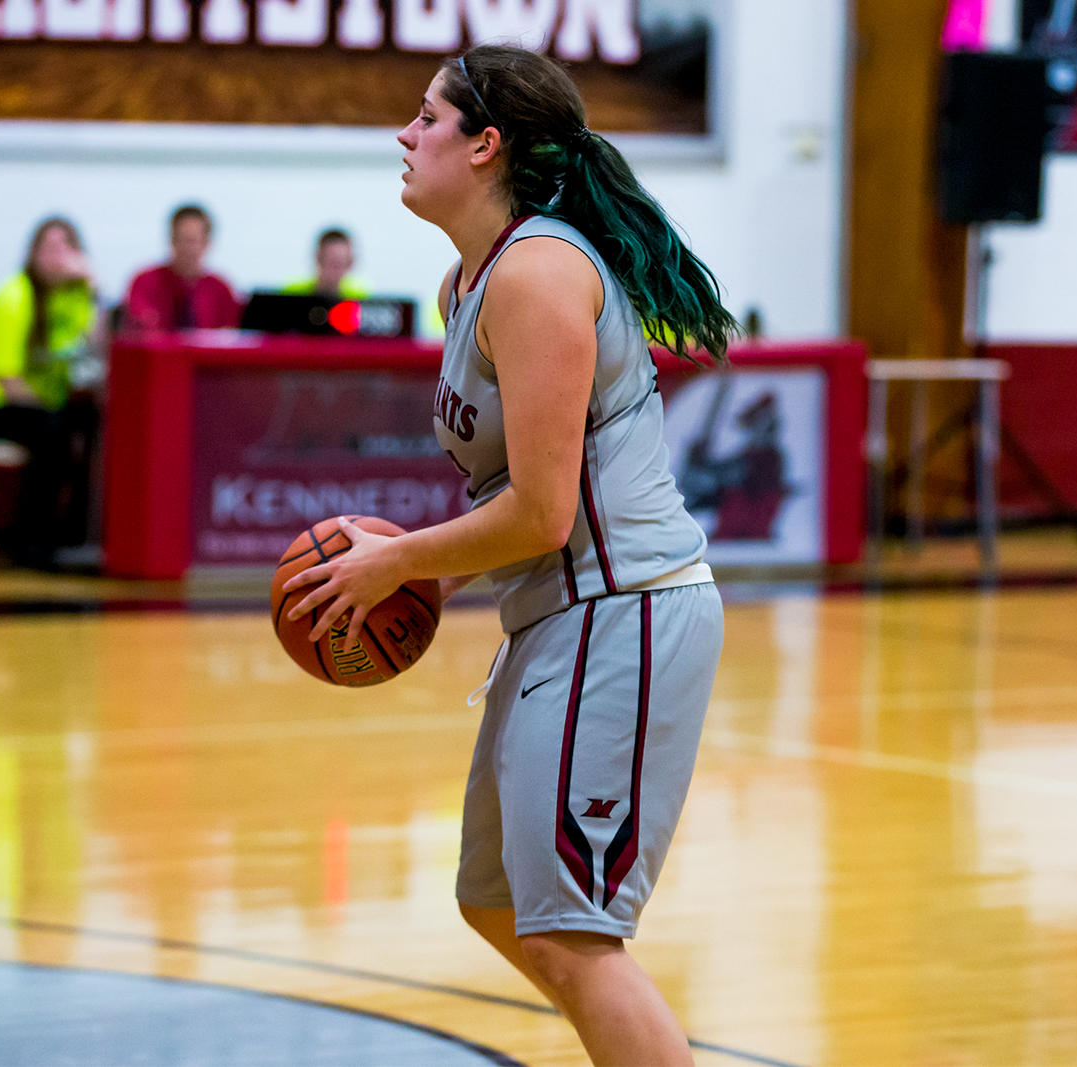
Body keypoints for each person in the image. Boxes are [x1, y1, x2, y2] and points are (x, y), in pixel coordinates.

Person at [283, 45, 737, 1066]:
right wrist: (416, 569)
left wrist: (399, 563)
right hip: (559, 614)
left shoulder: (538, 273)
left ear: (485, 144)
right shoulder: (467, 284)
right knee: (495, 900)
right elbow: (518, 504)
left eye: (426, 117)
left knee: (574, 933)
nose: (404, 135)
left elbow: (539, 513)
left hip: (624, 609)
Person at [0, 217, 100, 570]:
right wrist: (51, 411)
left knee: (93, 426)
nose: (56, 258)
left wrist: (93, 288)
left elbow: (98, 347)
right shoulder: (13, 295)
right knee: (53, 431)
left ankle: (81, 536)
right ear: (32, 254)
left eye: (65, 249)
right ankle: (35, 542)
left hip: (46, 406)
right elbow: (7, 379)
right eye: (48, 249)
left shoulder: (73, 298)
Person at [122, 204, 240, 330]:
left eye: (193, 241)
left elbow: (230, 335)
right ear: (172, 240)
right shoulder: (145, 283)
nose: (188, 248)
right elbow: (137, 331)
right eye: (182, 240)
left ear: (207, 243)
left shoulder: (221, 291)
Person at [282, 228, 368, 300]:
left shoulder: (362, 297)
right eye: (333, 263)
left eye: (344, 263)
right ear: (318, 259)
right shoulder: (291, 293)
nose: (338, 270)